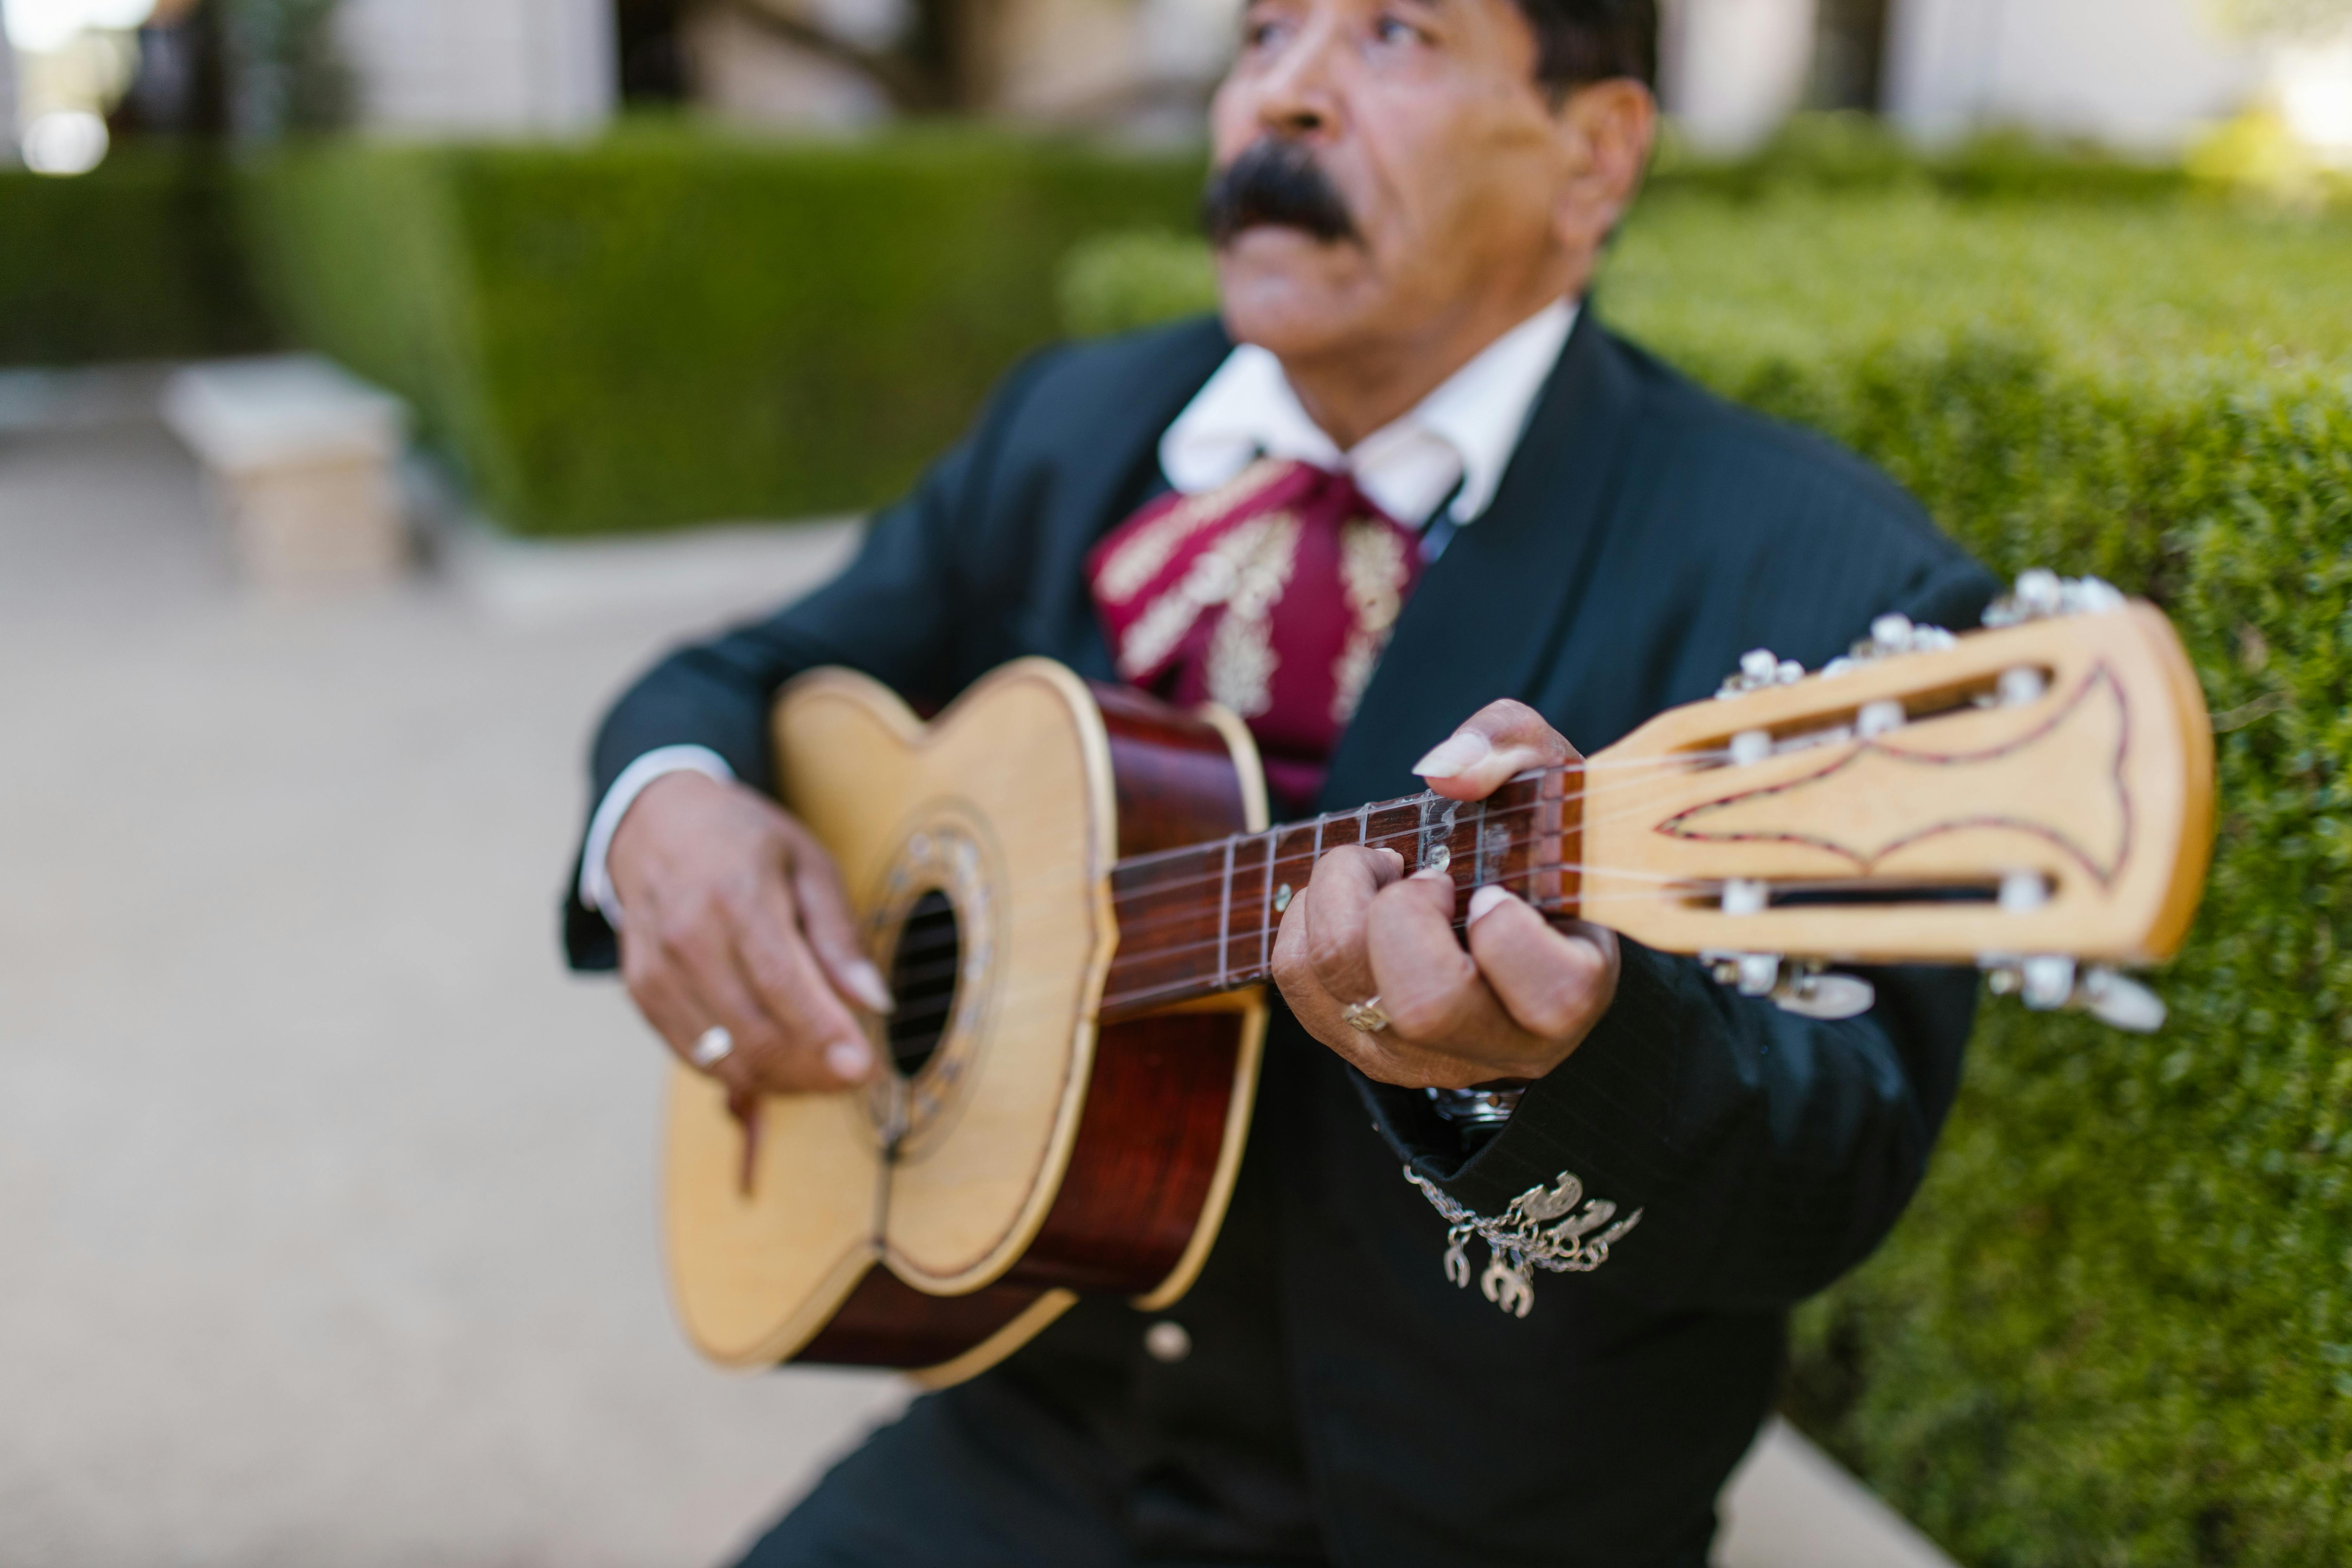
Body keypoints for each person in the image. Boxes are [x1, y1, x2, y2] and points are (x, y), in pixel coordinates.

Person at [563, 0, 1996, 1561]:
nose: (1286, 97)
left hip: (1471, 1506)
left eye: (1390, 35)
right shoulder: (1076, 421)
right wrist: (670, 802)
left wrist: (1568, 1060)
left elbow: (1829, 1169)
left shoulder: (1828, 582)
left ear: (1594, 155)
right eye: (1260, 33)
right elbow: (740, 676)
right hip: (1035, 1422)